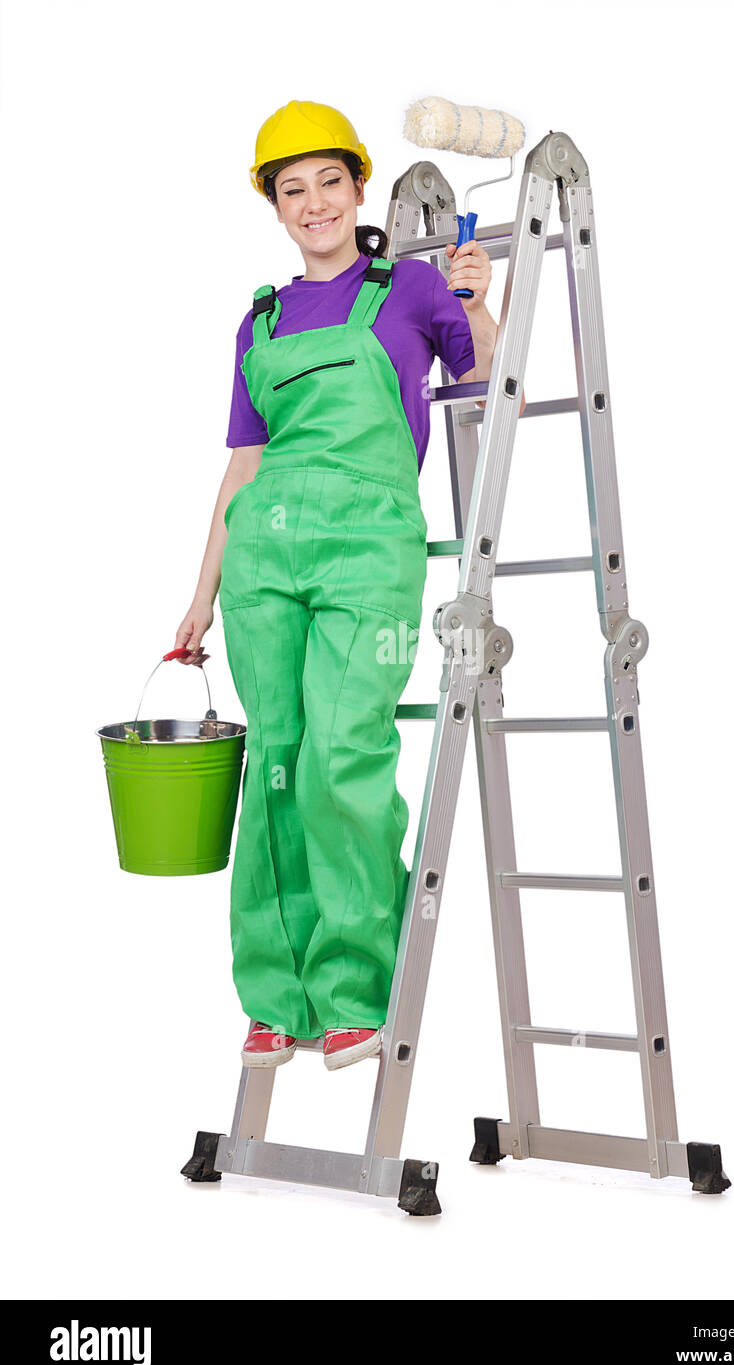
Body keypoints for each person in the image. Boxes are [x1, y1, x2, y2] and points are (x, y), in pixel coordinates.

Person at [175, 99, 510, 1072]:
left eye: (329, 182)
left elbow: (482, 368)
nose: (313, 203)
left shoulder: (408, 289)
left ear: (359, 188)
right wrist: (199, 595)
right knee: (276, 765)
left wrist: (478, 295)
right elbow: (242, 466)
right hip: (263, 554)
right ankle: (278, 995)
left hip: (369, 551)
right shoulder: (261, 319)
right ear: (275, 207)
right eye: (292, 189)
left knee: (344, 756)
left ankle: (360, 984)